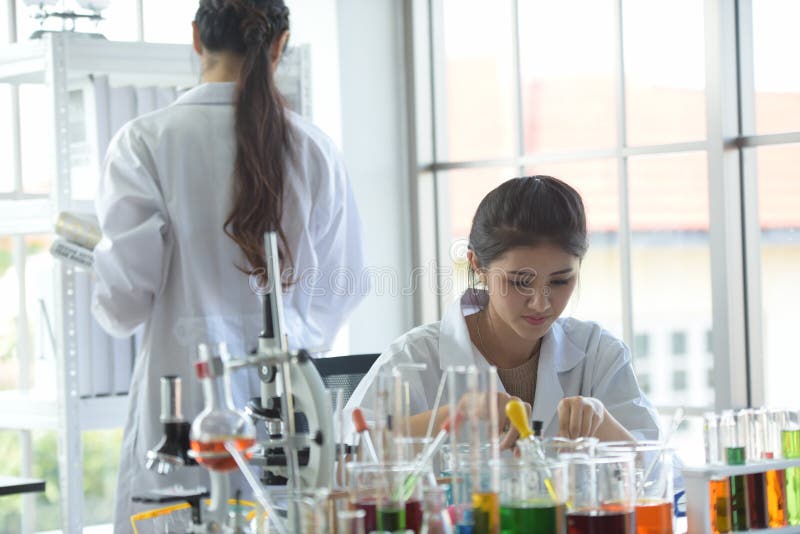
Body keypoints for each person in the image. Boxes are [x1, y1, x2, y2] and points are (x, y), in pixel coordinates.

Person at [91, 0, 366, 529]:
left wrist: (97, 269)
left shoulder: (145, 142)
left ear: (196, 38)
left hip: (179, 412)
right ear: (278, 46)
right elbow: (342, 287)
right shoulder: (313, 150)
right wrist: (290, 342)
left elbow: (124, 301)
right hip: (287, 414)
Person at [346, 175, 659, 449]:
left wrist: (604, 424)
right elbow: (345, 457)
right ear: (477, 266)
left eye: (561, 280)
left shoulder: (599, 354)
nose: (541, 303)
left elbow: (663, 478)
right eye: (520, 281)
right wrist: (453, 417)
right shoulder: (414, 357)